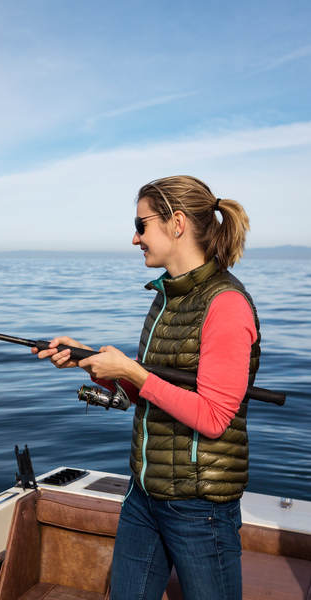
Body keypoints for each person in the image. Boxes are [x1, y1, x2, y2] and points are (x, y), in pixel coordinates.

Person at [33, 175, 260, 599]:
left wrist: (134, 372)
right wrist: (96, 365)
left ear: (176, 224)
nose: (134, 238)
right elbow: (150, 395)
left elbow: (212, 419)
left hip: (200, 507)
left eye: (141, 225)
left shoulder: (226, 305)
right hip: (144, 492)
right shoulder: (166, 299)